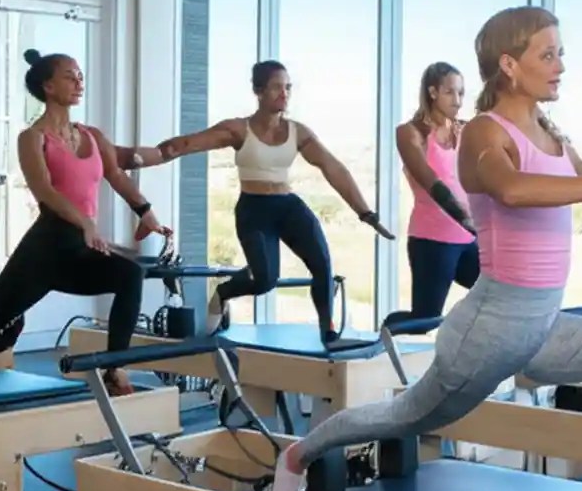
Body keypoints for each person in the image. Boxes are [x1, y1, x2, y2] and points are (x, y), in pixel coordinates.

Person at [268, 7, 582, 491]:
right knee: (406, 415)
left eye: (561, 54)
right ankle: (297, 456)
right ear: (508, 64)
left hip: (544, 325)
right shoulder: (485, 132)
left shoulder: (554, 137)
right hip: (490, 329)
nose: (560, 66)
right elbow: (511, 187)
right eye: (547, 55)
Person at [0, 49, 170, 396]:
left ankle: (115, 366)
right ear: (48, 87)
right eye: (70, 75)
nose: (79, 81)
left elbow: (115, 173)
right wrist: (85, 222)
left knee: (130, 275)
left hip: (79, 249)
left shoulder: (92, 136)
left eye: (80, 75)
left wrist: (146, 212)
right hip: (46, 247)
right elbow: (44, 190)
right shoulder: (32, 138)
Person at [121, 60, 394, 343]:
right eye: (277, 87)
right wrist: (138, 157)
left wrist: (366, 213)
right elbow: (184, 145)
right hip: (254, 209)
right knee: (264, 280)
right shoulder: (239, 129)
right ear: (259, 91)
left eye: (288, 87)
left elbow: (334, 168)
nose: (284, 93)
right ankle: (223, 293)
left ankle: (328, 332)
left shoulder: (298, 132)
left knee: (322, 264)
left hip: (287, 207)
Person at [386, 61, 479, 323]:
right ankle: (383, 339)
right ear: (433, 92)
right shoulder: (410, 133)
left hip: (468, 240)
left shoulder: (467, 130)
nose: (458, 100)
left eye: (461, 93)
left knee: (501, 297)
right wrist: (469, 222)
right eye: (450, 92)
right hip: (432, 240)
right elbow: (432, 183)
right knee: (424, 319)